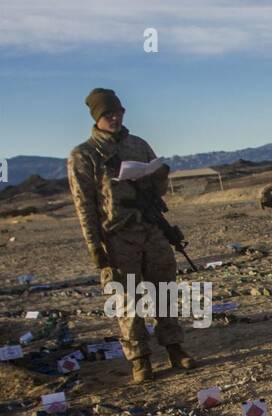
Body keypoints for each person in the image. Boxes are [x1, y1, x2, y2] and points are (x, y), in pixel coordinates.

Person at [66, 88, 193, 384]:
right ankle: (140, 360)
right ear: (96, 117)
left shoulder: (138, 144)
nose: (115, 117)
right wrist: (94, 246)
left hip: (150, 228)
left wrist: (159, 177)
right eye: (108, 114)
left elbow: (157, 191)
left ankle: (175, 348)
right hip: (117, 235)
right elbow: (83, 204)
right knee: (127, 299)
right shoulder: (83, 155)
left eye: (119, 112)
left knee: (164, 290)